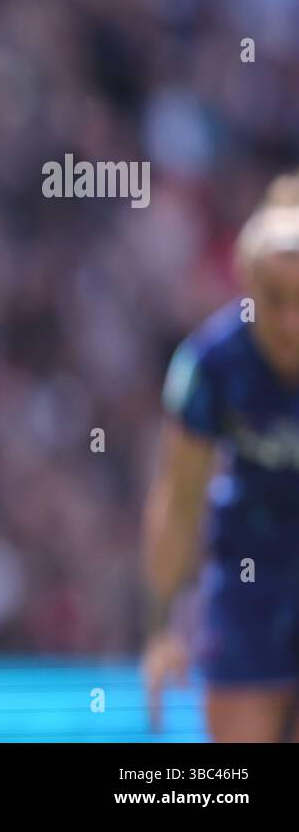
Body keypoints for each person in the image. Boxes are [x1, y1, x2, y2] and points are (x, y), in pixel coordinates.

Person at [143, 171, 299, 741]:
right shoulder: (212, 364)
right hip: (247, 582)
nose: (289, 323)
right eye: (275, 301)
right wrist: (161, 627)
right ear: (248, 286)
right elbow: (179, 499)